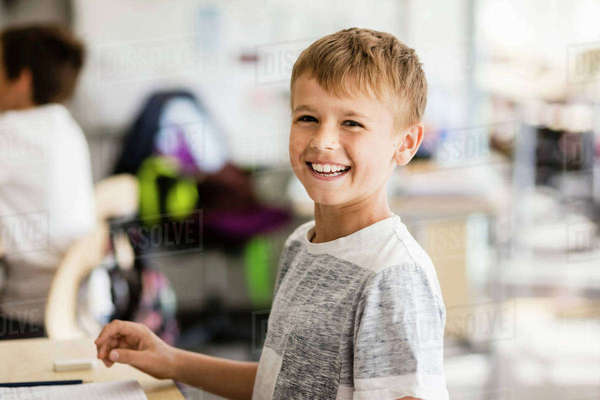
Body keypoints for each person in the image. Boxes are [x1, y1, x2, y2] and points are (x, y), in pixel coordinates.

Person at [95, 28, 448, 400]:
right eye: (308, 118)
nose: (322, 141)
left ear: (405, 144)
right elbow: (281, 382)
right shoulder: (301, 244)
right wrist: (171, 360)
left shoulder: (394, 275)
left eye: (352, 123)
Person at [0, 24, 95, 339]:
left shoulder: (11, 131)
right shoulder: (68, 129)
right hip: (78, 308)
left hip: (29, 318)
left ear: (22, 79)